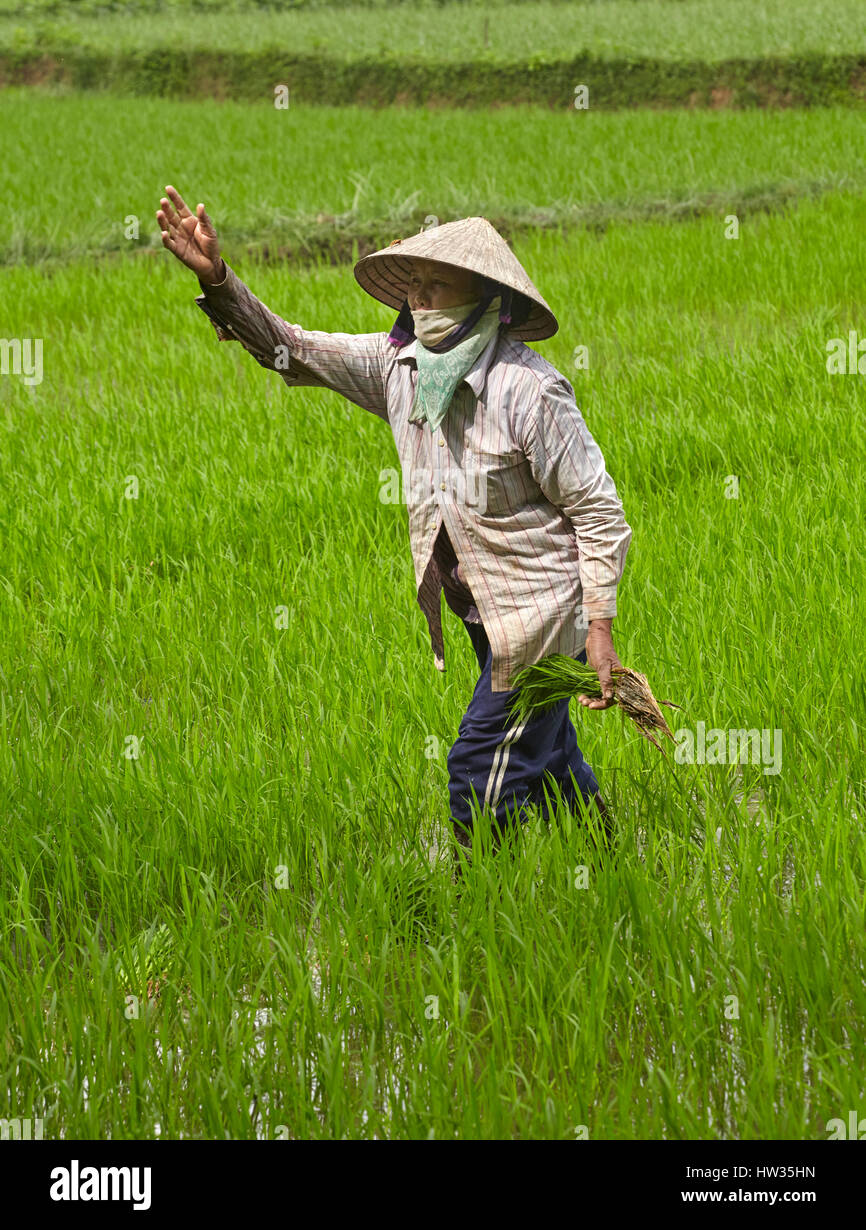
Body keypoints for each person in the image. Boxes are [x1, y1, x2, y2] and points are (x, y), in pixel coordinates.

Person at [156, 188, 632, 863]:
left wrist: (601, 631)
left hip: (541, 615)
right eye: (415, 286)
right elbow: (292, 349)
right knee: (543, 755)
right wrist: (216, 280)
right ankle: (609, 865)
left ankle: (486, 912)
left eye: (438, 286)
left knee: (480, 769)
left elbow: (598, 510)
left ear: (483, 298)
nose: (420, 300)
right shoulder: (401, 368)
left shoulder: (531, 391)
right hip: (481, 608)